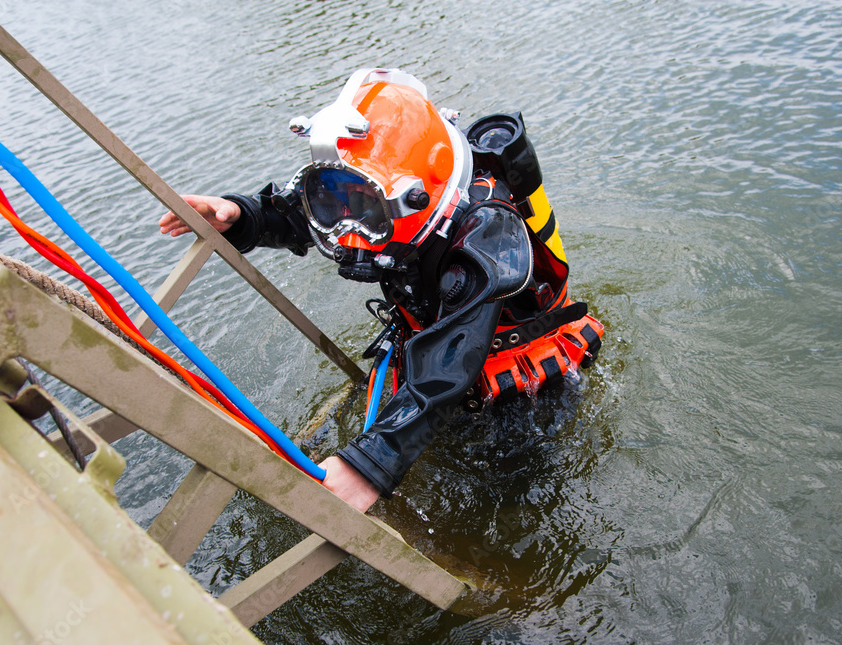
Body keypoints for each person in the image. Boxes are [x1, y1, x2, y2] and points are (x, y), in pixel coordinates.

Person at [159, 68, 603, 512]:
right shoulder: (374, 189)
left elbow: (453, 354)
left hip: (524, 388)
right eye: (340, 203)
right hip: (432, 354)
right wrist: (242, 214)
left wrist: (370, 465)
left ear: (419, 194)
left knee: (509, 497)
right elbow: (302, 216)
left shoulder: (489, 228)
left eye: (368, 209)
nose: (349, 233)